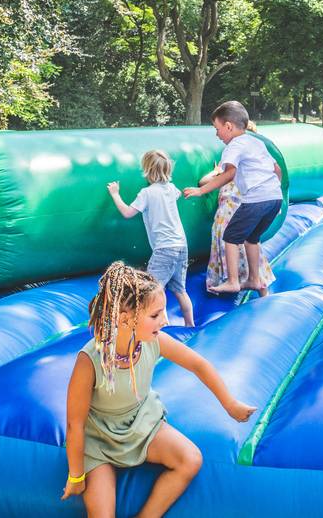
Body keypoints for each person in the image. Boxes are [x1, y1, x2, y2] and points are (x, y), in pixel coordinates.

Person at [62, 262, 255, 516]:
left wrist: (230, 404)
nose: (164, 320)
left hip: (142, 422)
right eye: (155, 315)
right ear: (125, 319)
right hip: (99, 439)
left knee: (190, 459)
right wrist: (76, 476)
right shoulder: (90, 361)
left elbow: (198, 364)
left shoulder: (153, 342)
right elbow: (75, 424)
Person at [183, 101, 283, 296]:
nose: (217, 134)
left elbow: (229, 174)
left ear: (228, 126)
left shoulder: (233, 146)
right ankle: (254, 279)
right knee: (251, 239)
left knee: (230, 237)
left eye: (217, 129)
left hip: (256, 198)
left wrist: (200, 191)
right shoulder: (257, 142)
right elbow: (276, 169)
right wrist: (274, 191)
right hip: (274, 198)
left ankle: (233, 281)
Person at [107, 150, 195, 327]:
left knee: (152, 292)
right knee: (180, 290)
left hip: (164, 249)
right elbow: (176, 194)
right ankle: (190, 325)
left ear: (147, 170)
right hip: (181, 246)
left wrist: (115, 194)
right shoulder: (171, 189)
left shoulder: (147, 193)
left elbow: (127, 213)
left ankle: (164, 328)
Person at [198, 122, 275, 295]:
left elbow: (203, 182)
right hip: (239, 214)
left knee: (233, 249)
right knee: (250, 251)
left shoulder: (235, 169)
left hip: (230, 214)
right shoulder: (248, 167)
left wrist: (216, 171)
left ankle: (232, 282)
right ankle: (260, 290)